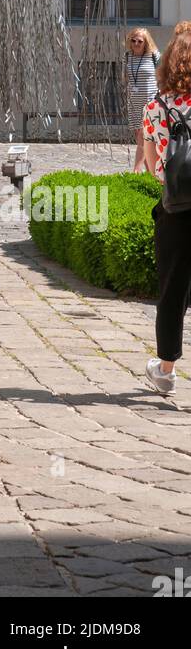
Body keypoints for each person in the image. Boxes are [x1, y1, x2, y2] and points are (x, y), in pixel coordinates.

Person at [141, 26, 191, 395]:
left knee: (173, 290)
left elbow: (154, 165)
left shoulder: (155, 108)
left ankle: (166, 371)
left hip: (176, 209)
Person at [125, 28, 160, 172]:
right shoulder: (128, 56)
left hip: (150, 101)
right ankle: (151, 173)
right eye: (133, 40)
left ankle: (136, 171)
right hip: (134, 101)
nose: (136, 44)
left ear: (146, 42)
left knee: (143, 136)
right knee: (140, 137)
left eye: (140, 41)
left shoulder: (153, 55)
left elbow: (163, 73)